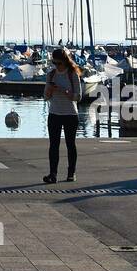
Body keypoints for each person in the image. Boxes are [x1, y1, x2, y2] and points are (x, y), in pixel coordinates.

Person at [42, 48, 82, 184]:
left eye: (58, 63)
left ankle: (71, 173)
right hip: (54, 113)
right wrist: (50, 90)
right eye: (54, 63)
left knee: (70, 144)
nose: (56, 66)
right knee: (54, 145)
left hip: (70, 114)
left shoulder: (72, 75)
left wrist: (65, 92)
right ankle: (53, 174)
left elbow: (78, 96)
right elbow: (45, 97)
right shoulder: (51, 75)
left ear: (65, 62)